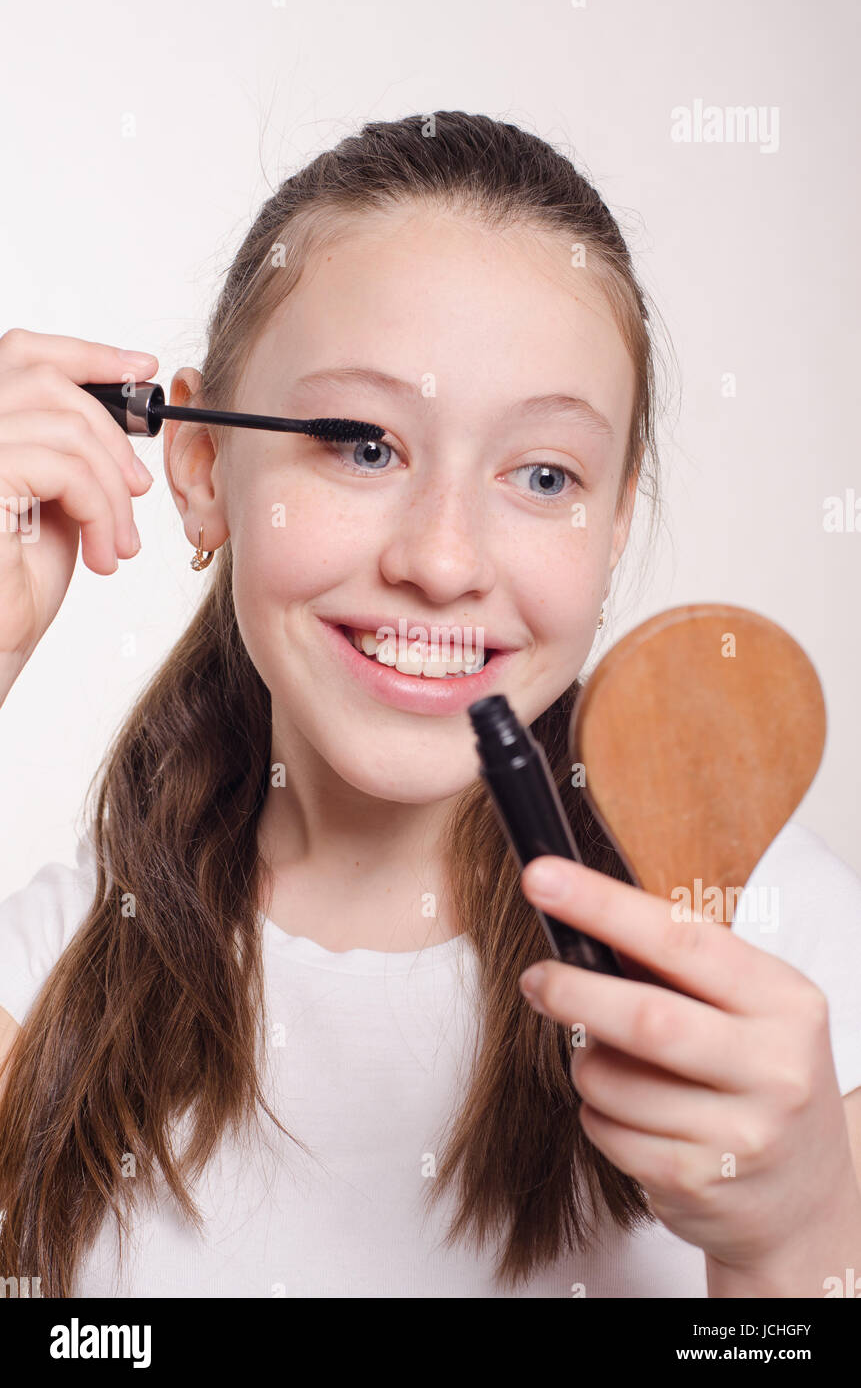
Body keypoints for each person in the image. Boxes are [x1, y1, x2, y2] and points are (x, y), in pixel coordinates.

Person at [0, 110, 859, 1299]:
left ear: (613, 528)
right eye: (362, 444)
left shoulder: (797, 962)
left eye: (545, 474)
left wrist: (800, 1248)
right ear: (203, 474)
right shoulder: (37, 986)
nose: (444, 560)